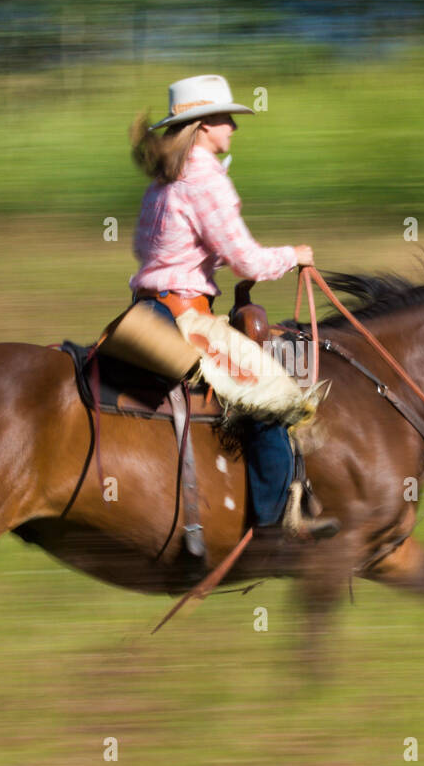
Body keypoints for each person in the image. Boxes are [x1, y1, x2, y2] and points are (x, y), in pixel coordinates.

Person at [128, 74, 338, 540]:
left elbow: (156, 248)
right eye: (225, 118)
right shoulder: (205, 180)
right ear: (202, 126)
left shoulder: (163, 182)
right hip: (183, 317)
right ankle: (273, 524)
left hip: (143, 312)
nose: (233, 128)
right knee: (276, 399)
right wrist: (293, 256)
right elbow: (247, 258)